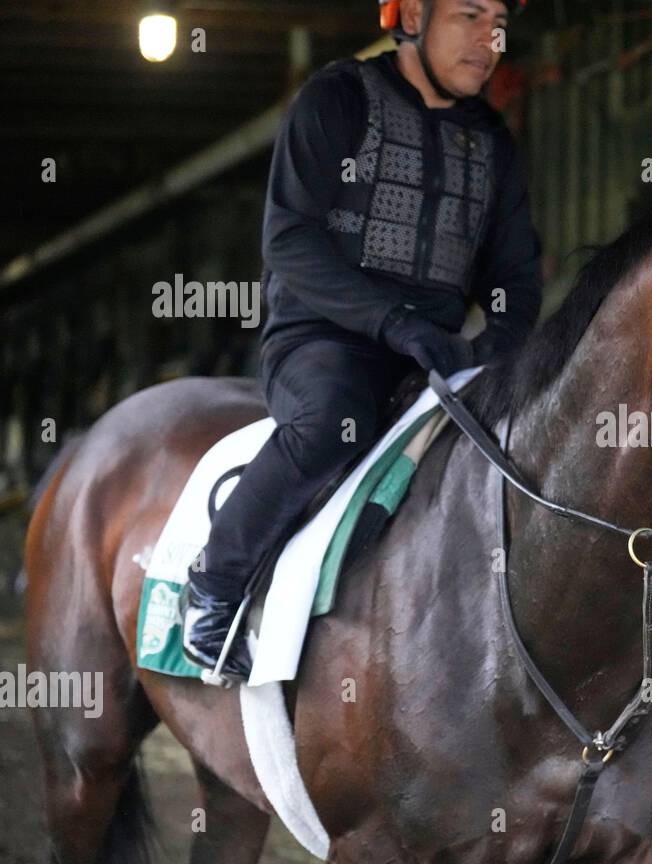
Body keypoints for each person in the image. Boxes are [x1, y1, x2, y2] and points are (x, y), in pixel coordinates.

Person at [182, 0, 541, 681]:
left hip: (437, 351)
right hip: (325, 337)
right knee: (329, 424)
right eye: (469, 14)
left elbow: (516, 276)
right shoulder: (339, 98)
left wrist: (495, 346)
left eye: (498, 20)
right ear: (412, 17)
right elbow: (289, 239)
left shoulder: (494, 143)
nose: (489, 38)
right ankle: (215, 584)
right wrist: (393, 321)